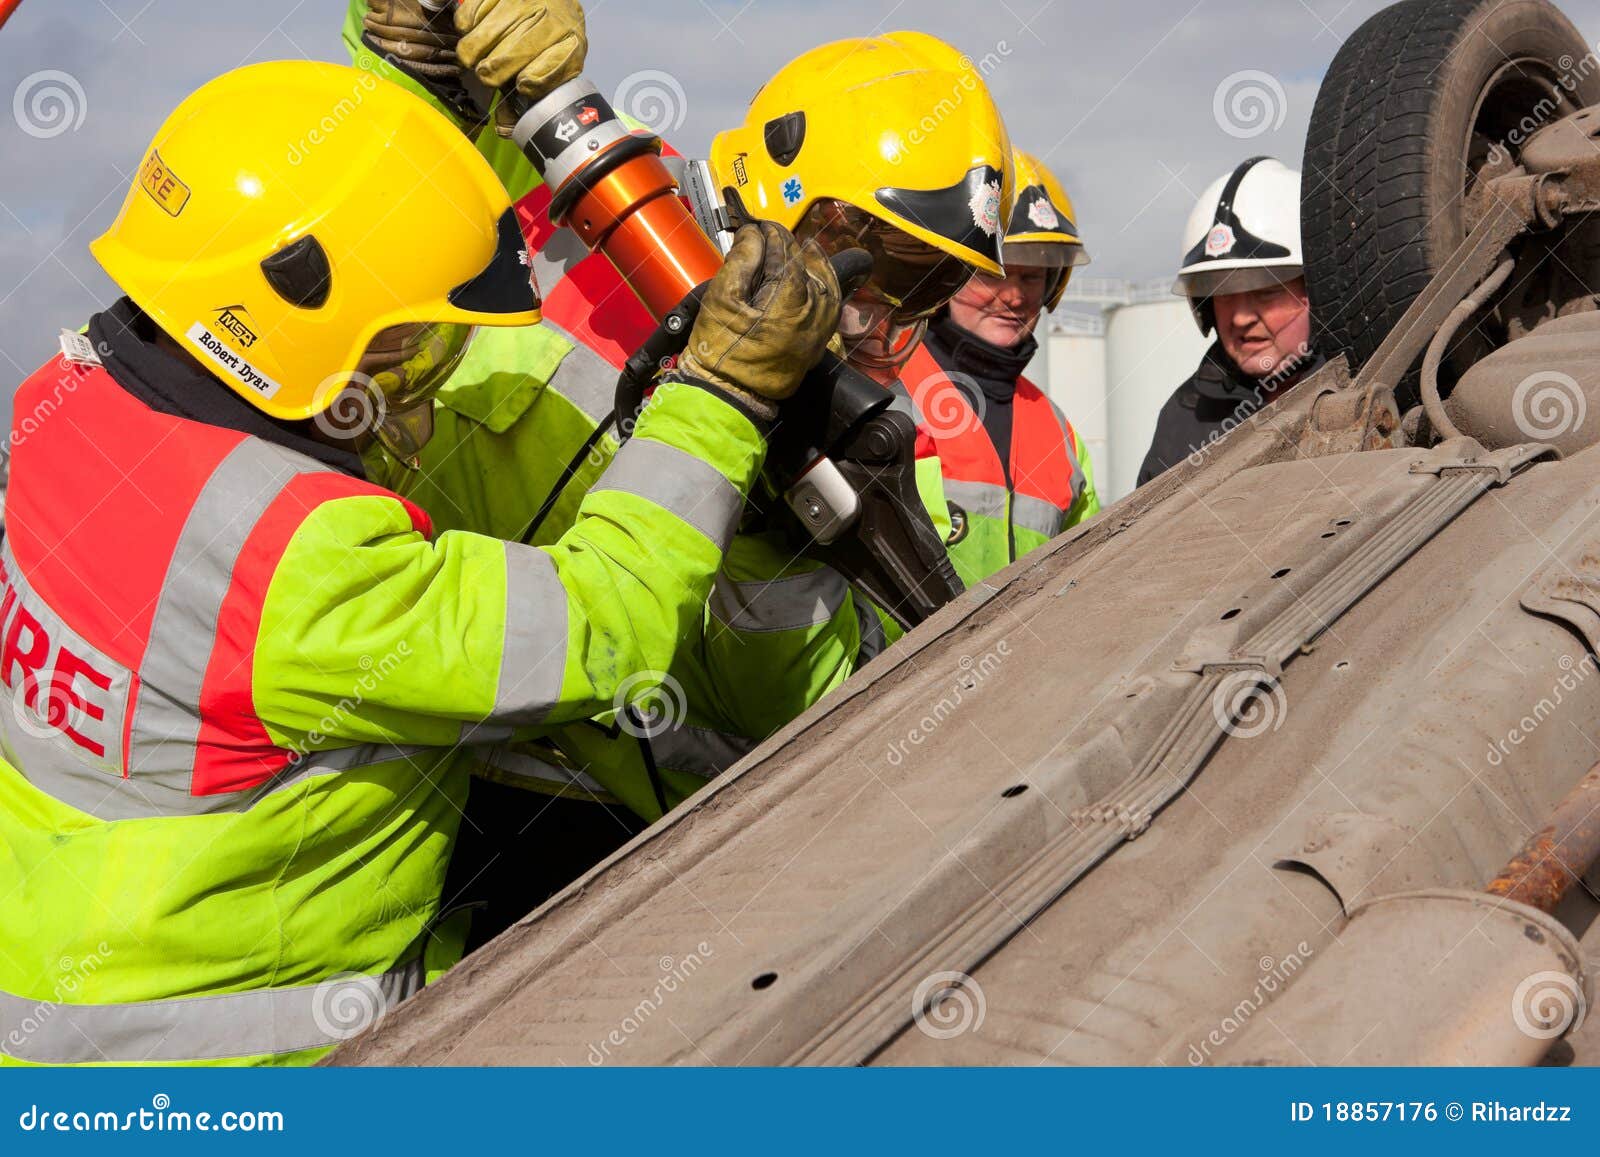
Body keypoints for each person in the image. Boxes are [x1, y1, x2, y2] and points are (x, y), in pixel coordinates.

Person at [0, 61, 844, 1066]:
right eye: (405, 341)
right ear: (292, 308)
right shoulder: (294, 554)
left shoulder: (68, 399)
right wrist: (721, 395)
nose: (417, 379)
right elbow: (602, 624)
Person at [345, 13, 1012, 828]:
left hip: (607, 831)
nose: (874, 313)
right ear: (787, 195)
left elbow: (802, 708)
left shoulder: (872, 440)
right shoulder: (578, 188)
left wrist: (778, 539)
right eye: (875, 259)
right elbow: (371, 170)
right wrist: (423, 47)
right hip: (395, 767)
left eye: (923, 284)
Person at [899, 150, 1099, 587]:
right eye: (995, 272)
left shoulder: (1059, 434)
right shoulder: (887, 388)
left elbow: (1092, 578)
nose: (1013, 296)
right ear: (946, 272)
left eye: (1030, 278)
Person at [1138, 157, 1321, 487]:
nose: (1240, 318)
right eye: (1224, 296)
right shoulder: (1184, 417)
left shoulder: (1373, 384)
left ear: (1316, 289)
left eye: (1264, 293)